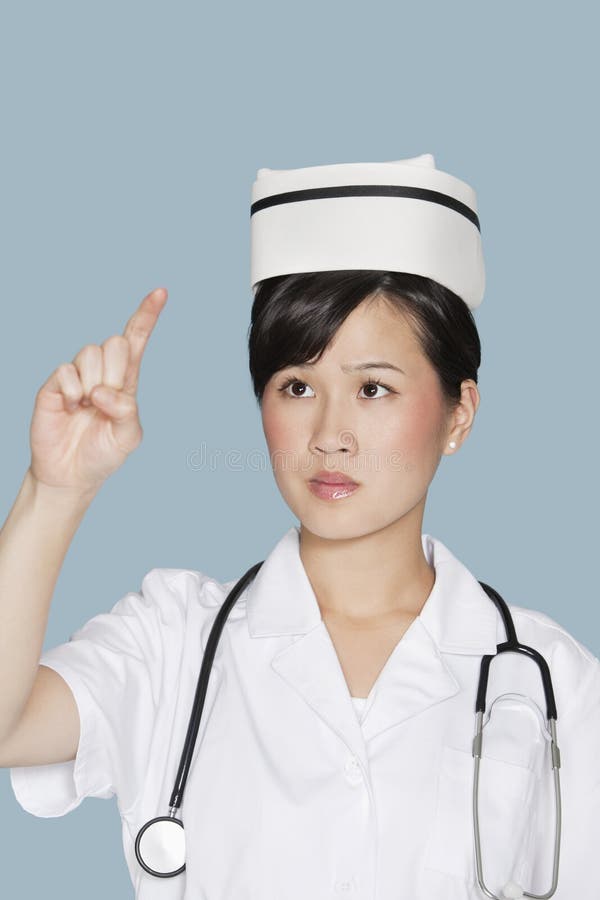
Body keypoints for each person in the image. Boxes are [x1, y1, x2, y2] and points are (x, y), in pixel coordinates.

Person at [0, 154, 598, 900]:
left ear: (459, 413)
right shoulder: (174, 641)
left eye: (373, 387)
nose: (329, 433)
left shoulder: (549, 682)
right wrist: (54, 490)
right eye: (296, 386)